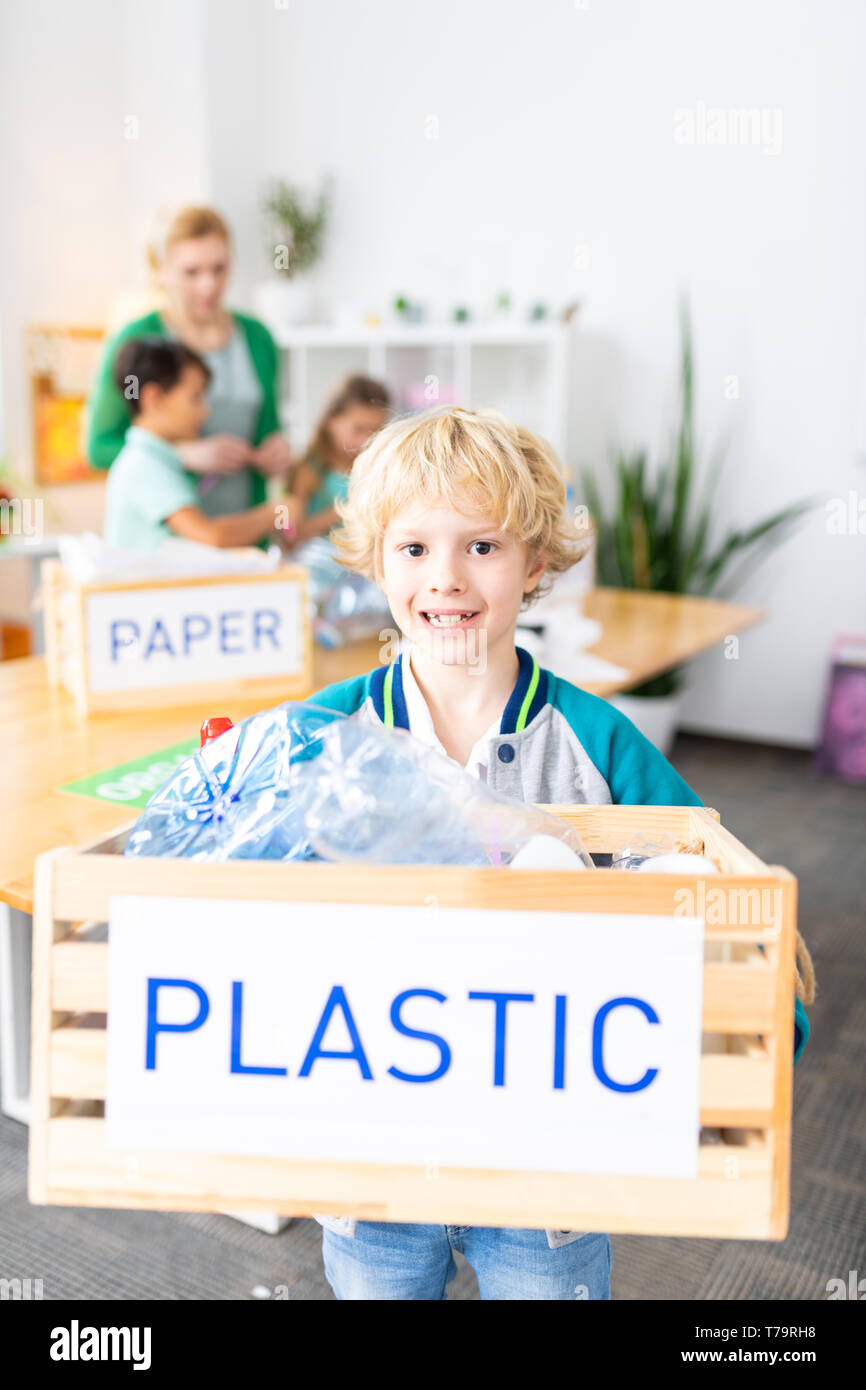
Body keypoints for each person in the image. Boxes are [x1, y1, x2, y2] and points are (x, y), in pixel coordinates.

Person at [299, 404, 813, 1301]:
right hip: (372, 1174)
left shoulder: (598, 740)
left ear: (536, 562)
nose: (446, 578)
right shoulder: (320, 733)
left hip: (546, 1188)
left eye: (483, 547)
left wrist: (749, 1037)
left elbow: (726, 902)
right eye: (413, 548)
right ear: (375, 559)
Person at [87, 205, 293, 517]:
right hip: (170, 544)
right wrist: (181, 455)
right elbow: (100, 446)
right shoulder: (135, 342)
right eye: (192, 272)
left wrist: (276, 450)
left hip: (246, 539)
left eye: (219, 268)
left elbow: (269, 429)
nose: (208, 285)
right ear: (161, 270)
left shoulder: (258, 338)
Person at [103, 338, 300, 552]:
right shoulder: (143, 465)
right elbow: (210, 537)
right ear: (154, 398)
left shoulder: (158, 459)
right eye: (195, 398)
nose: (205, 411)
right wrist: (275, 514)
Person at [287, 375, 389, 546]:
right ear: (330, 421)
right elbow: (289, 535)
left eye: (376, 431)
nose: (367, 441)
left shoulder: (379, 471)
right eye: (358, 429)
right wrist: (343, 511)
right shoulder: (309, 471)